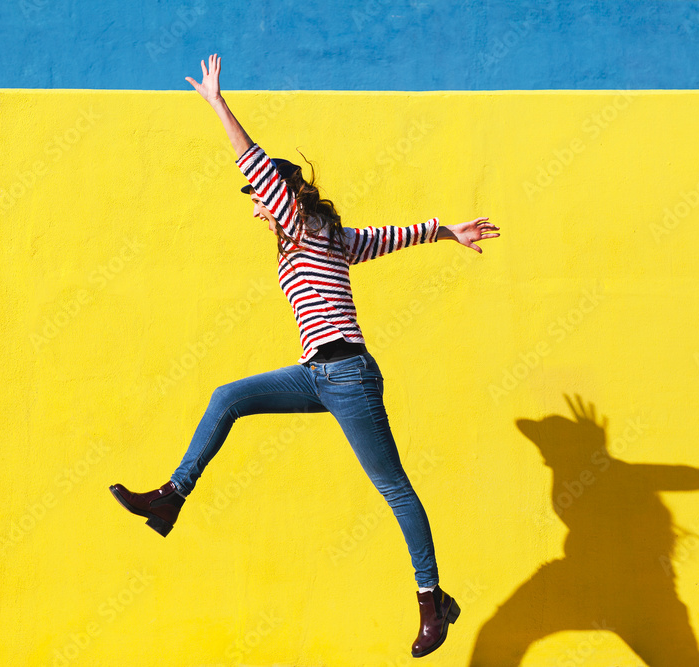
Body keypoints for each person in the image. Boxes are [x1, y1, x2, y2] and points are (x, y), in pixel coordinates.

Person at [110, 53, 499, 658]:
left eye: (262, 198)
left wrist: (217, 102)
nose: (258, 206)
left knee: (394, 488)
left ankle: (432, 601)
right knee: (227, 398)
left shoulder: (299, 223)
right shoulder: (330, 240)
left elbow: (256, 163)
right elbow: (395, 236)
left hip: (348, 376)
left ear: (285, 197)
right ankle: (171, 498)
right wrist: (447, 231)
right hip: (317, 376)